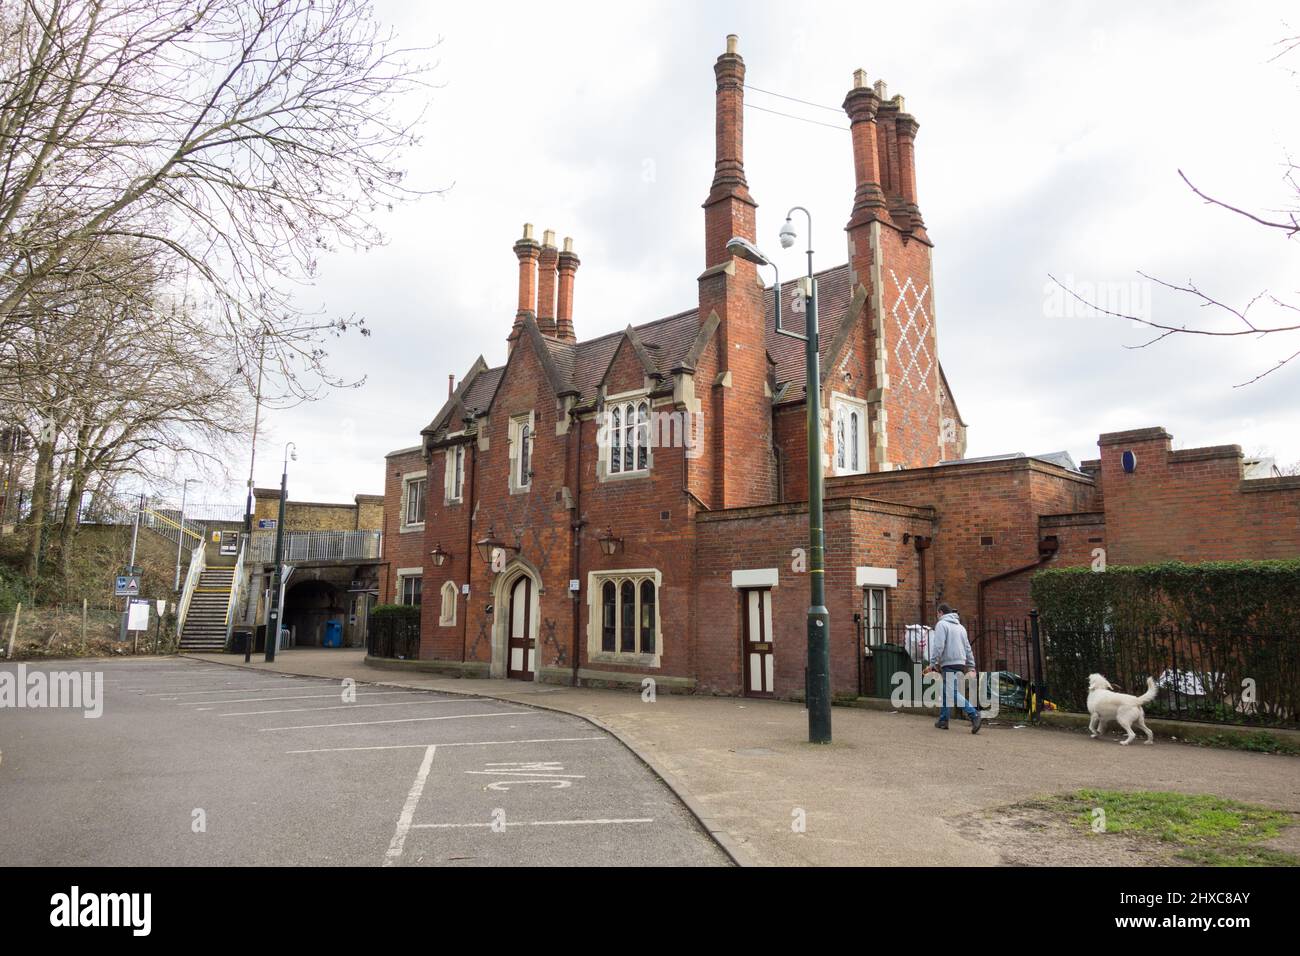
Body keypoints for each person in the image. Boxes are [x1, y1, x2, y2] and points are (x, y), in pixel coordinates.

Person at [926, 603, 981, 734]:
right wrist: (972, 665)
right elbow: (968, 648)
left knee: (951, 692)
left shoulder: (942, 625)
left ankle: (974, 714)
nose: (937, 617)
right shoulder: (960, 627)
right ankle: (943, 720)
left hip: (949, 663)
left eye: (937, 614)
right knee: (947, 691)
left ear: (940, 612)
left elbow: (938, 646)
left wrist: (932, 663)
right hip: (960, 663)